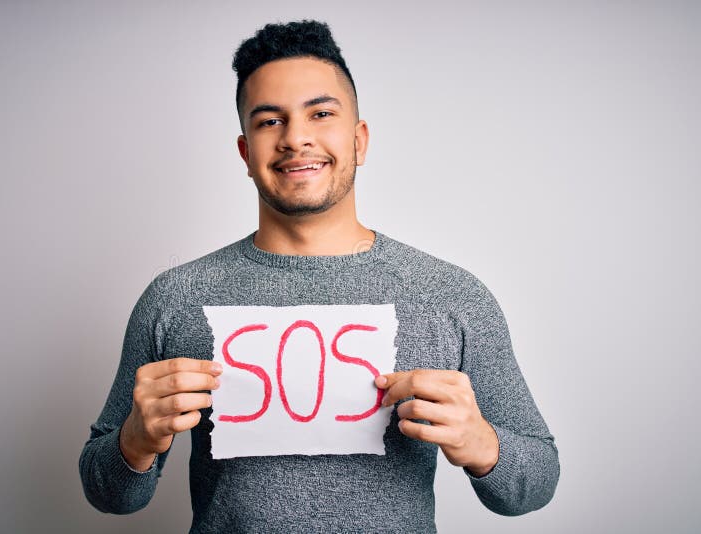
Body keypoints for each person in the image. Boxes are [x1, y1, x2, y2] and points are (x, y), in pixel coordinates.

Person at [79, 20, 560, 533]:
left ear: (360, 140)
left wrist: (482, 443)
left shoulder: (451, 296)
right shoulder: (174, 299)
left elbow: (535, 484)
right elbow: (108, 494)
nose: (297, 138)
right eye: (269, 121)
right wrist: (134, 441)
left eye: (321, 113)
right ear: (246, 154)